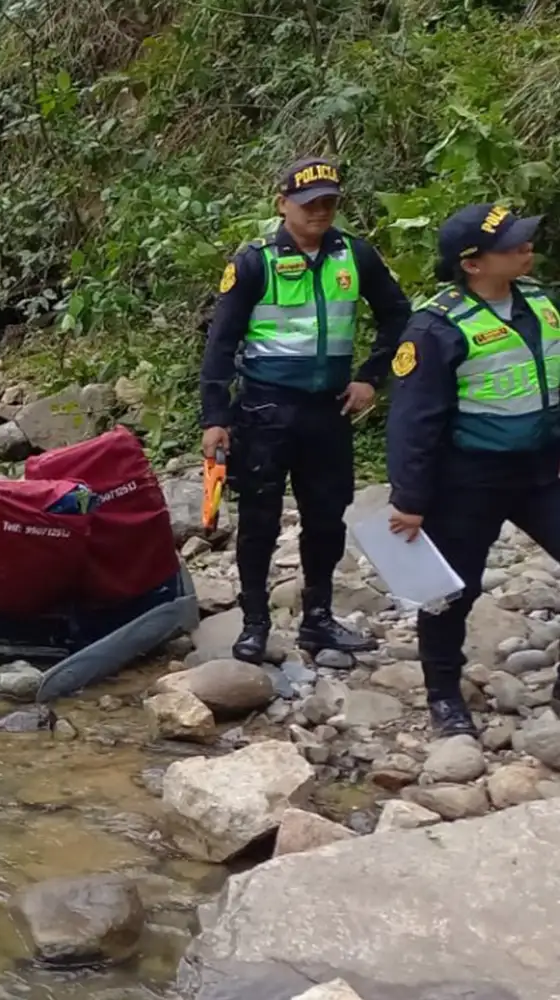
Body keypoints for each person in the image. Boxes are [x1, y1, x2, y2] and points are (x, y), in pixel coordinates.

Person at [201, 157, 413, 663]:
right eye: (309, 203)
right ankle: (254, 624)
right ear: (283, 205)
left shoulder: (354, 255)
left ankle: (318, 619)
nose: (320, 212)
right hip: (264, 411)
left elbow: (398, 314)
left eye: (328, 203)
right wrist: (214, 417)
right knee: (259, 520)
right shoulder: (255, 261)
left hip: (329, 412)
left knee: (325, 518)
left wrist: (370, 377)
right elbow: (221, 341)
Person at [385, 202, 560, 736]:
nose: (526, 248)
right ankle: (444, 697)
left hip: (540, 471)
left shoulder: (542, 303)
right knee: (451, 591)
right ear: (473, 264)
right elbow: (413, 421)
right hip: (467, 479)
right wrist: (409, 501)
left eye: (525, 240)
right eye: (511, 245)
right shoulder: (437, 327)